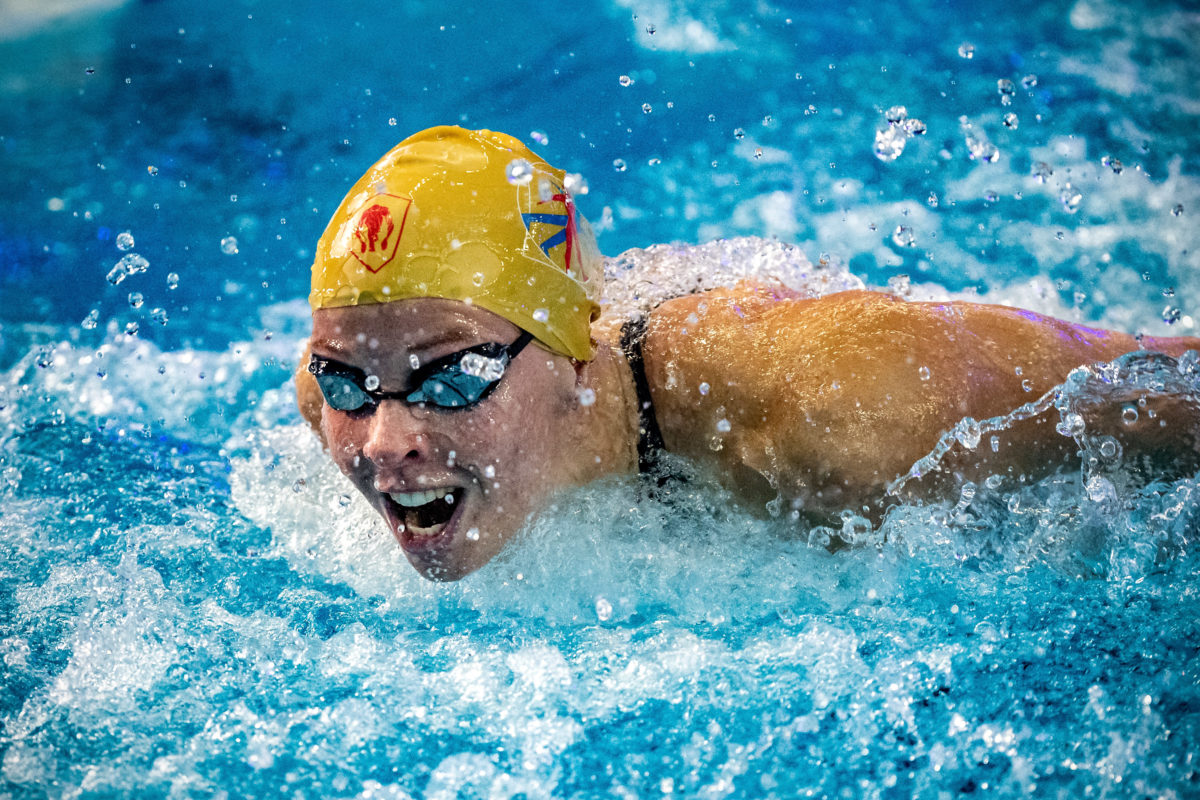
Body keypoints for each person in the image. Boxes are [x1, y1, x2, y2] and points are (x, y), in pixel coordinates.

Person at [297, 125, 1200, 581]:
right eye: (347, 380)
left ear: (575, 361)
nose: (382, 443)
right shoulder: (344, 389)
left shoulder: (842, 414)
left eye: (451, 377)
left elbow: (1164, 384)